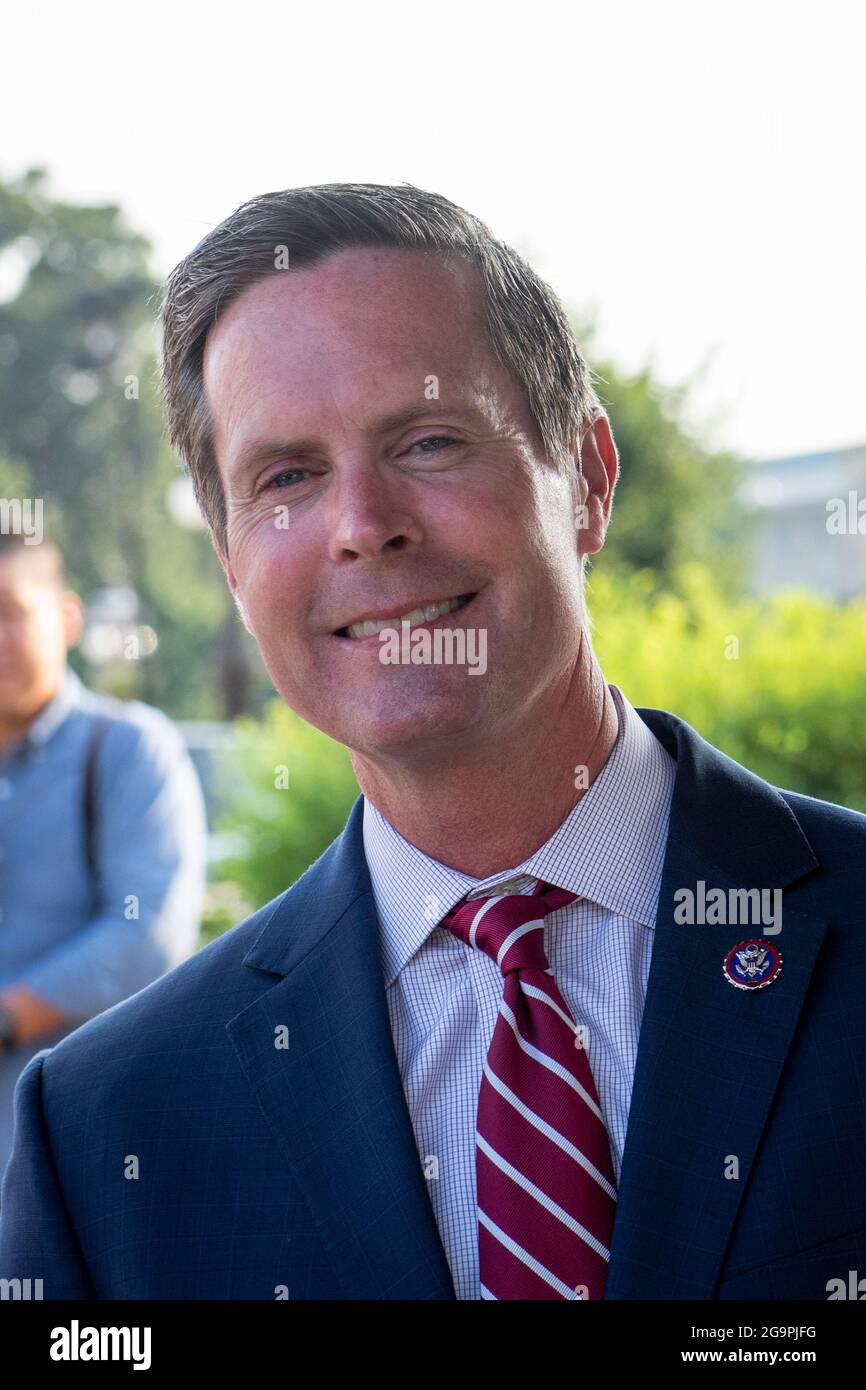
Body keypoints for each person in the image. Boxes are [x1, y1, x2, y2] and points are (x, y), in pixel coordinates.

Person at [1, 184, 864, 1301]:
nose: (363, 523)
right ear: (228, 562)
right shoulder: (104, 1127)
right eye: (287, 477)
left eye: (428, 439)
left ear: (588, 479)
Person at [0, 533, 208, 1187]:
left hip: (81, 1145)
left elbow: (146, 937)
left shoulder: (127, 750)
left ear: (65, 618)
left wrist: (10, 1015)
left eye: (8, 613)